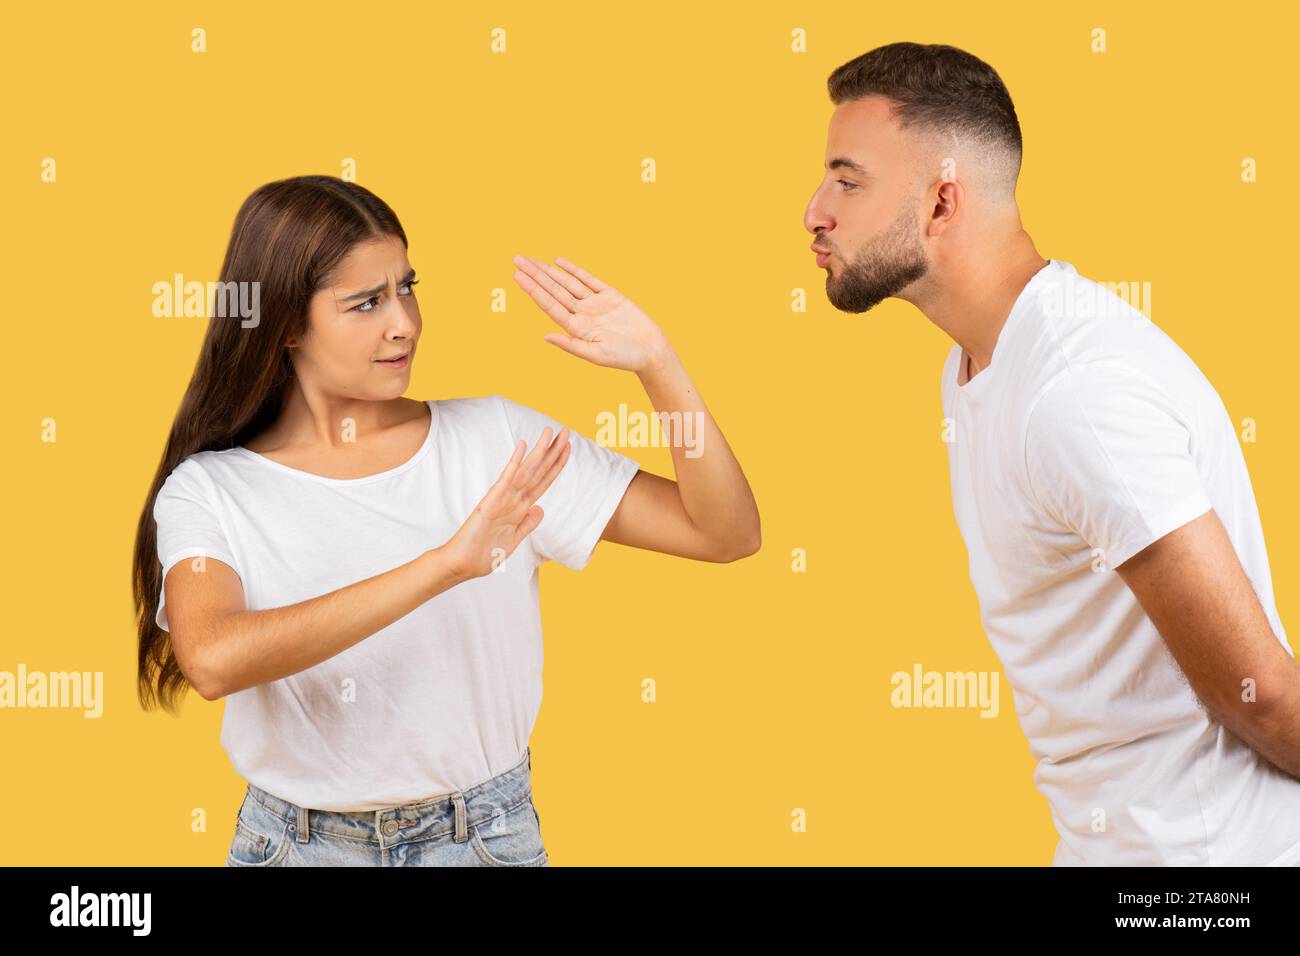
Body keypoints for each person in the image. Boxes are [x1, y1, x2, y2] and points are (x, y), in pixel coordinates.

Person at [131, 175, 760, 866]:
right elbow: (213, 659)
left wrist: (658, 368)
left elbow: (724, 533)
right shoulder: (213, 491)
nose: (404, 321)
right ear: (284, 322)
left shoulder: (496, 440)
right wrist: (447, 564)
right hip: (297, 849)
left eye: (408, 286)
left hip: (483, 840)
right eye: (366, 302)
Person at [804, 42, 1300, 865]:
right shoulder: (979, 364)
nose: (816, 210)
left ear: (941, 203)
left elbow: (1267, 696)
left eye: (847, 180)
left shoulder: (1079, 395)